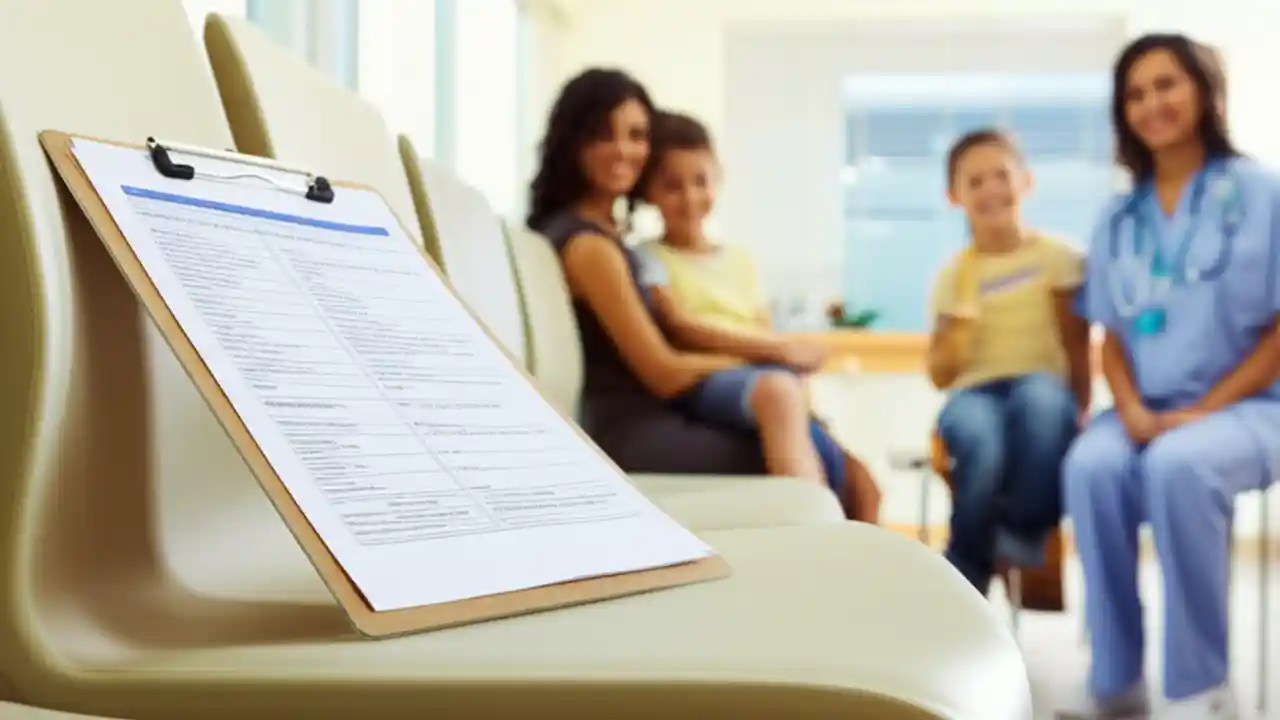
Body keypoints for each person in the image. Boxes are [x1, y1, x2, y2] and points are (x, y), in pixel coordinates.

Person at [526, 68, 879, 521]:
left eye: (636, 135)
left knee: (846, 468)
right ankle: (817, 564)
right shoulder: (591, 247)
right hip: (633, 431)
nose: (623, 150)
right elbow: (662, 372)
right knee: (825, 459)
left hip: (669, 417)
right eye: (603, 135)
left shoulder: (609, 238)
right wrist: (769, 359)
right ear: (573, 141)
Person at [1064, 33, 1280, 719]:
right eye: (1135, 93)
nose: (1151, 103)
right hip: (1144, 409)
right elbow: (1110, 336)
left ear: (1204, 90)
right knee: (1091, 468)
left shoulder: (1261, 192)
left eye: (1167, 84)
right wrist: (1127, 408)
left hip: (1250, 408)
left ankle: (1200, 687)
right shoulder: (1118, 217)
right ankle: (1114, 680)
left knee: (1179, 468)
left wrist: (1205, 409)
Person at [630, 109, 876, 514]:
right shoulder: (649, 257)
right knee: (779, 391)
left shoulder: (740, 261)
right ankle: (811, 530)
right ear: (649, 192)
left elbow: (767, 334)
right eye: (672, 185)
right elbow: (680, 325)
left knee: (863, 483)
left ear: (718, 177)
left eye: (700, 181)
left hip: (765, 378)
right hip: (709, 379)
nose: (690, 197)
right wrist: (779, 352)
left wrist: (788, 363)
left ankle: (857, 564)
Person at [925, 129, 1091, 608]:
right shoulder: (952, 274)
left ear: (1027, 182)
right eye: (975, 181)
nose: (991, 189)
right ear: (954, 197)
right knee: (979, 438)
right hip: (974, 393)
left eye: (1002, 175)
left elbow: (1077, 343)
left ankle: (1020, 534)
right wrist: (957, 323)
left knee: (1040, 401)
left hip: (1043, 387)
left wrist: (1081, 406)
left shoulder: (1059, 257)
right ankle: (968, 565)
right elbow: (940, 375)